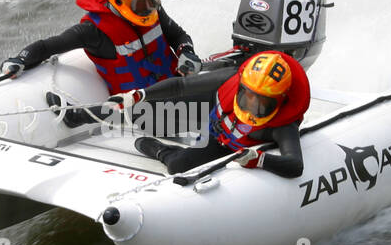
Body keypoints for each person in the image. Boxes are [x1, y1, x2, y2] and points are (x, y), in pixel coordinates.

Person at [0, 0, 200, 127]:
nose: (151, 5)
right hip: (138, 106)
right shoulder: (92, 30)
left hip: (178, 87)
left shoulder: (150, 10)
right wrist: (19, 60)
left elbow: (178, 35)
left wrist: (187, 53)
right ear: (119, 1)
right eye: (143, 1)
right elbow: (48, 46)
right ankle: (77, 116)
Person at [112, 50, 310, 179]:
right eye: (248, 96)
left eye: (262, 102)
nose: (251, 105)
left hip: (230, 145)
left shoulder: (284, 126)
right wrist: (140, 94)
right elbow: (182, 85)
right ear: (241, 85)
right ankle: (160, 130)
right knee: (145, 116)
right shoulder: (232, 76)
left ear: (280, 100)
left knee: (177, 165)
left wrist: (258, 159)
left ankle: (162, 151)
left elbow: (295, 165)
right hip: (217, 117)